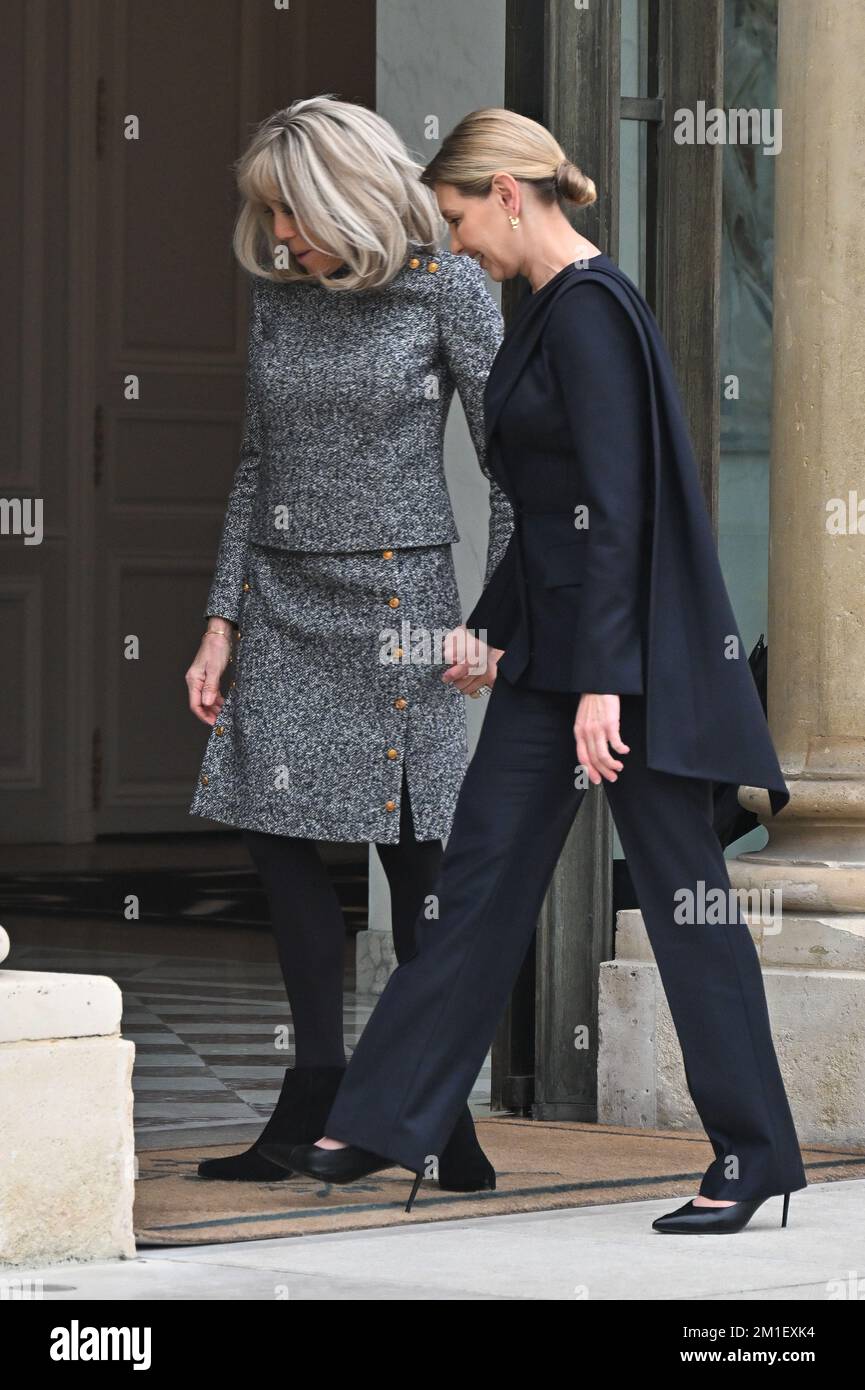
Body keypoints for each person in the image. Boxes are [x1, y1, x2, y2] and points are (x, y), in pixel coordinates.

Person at [267, 107, 809, 1235]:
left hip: (629, 669)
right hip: (558, 658)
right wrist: (488, 627)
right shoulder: (547, 310)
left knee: (686, 903)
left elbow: (616, 511)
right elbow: (550, 518)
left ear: (508, 193)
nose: (456, 242)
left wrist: (606, 683)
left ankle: (753, 1153)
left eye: (460, 216)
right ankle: (384, 1118)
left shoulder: (593, 313)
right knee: (478, 883)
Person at [185, 96, 511, 1192]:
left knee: (417, 866)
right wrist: (218, 624)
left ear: (347, 197)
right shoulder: (280, 298)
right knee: (276, 844)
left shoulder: (447, 286)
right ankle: (314, 1085)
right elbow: (251, 463)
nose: (280, 238)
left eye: (292, 214)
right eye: (270, 218)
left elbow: (517, 465)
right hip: (281, 602)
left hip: (397, 608)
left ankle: (441, 1117)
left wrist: (492, 623)